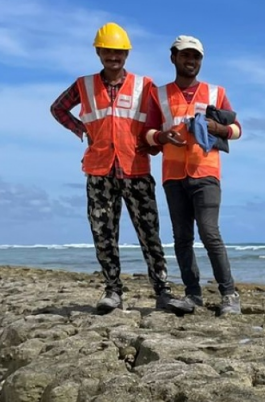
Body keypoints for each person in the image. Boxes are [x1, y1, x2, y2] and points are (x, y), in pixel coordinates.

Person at [50, 23, 196, 315]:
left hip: (136, 168)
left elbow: (157, 121)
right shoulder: (84, 85)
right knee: (103, 234)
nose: (113, 56)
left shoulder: (145, 86)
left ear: (126, 54)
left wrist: (155, 144)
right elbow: (58, 108)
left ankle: (163, 292)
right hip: (98, 170)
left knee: (149, 233)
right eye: (107, 51)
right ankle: (112, 291)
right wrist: (80, 129)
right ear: (99, 52)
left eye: (118, 52)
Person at [141, 35, 243, 315]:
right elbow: (147, 133)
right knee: (182, 237)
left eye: (196, 57)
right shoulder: (158, 94)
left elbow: (237, 130)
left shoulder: (215, 92)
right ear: (173, 57)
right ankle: (193, 295)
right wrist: (162, 136)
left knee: (210, 233)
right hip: (173, 175)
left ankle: (229, 295)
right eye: (186, 55)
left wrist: (218, 128)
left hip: (206, 173)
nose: (191, 61)